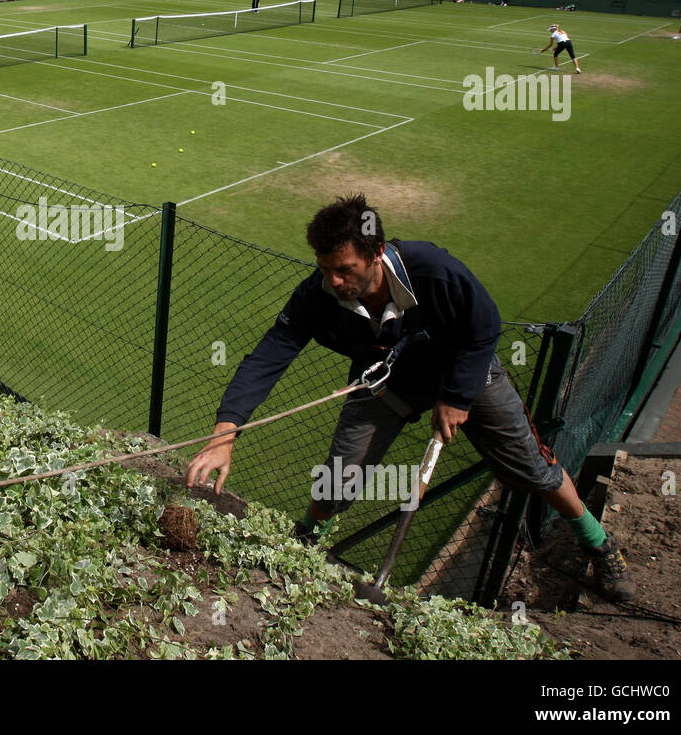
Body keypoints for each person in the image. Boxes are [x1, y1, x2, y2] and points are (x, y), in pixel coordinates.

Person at [184, 195, 636, 602]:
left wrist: (457, 396)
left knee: (531, 470)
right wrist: (226, 432)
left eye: (346, 270)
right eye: (326, 269)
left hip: (466, 373)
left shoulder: (434, 270)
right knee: (338, 474)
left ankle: (598, 544)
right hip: (384, 384)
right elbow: (269, 355)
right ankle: (307, 540)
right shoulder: (317, 295)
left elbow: (485, 327)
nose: (335, 281)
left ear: (377, 252)